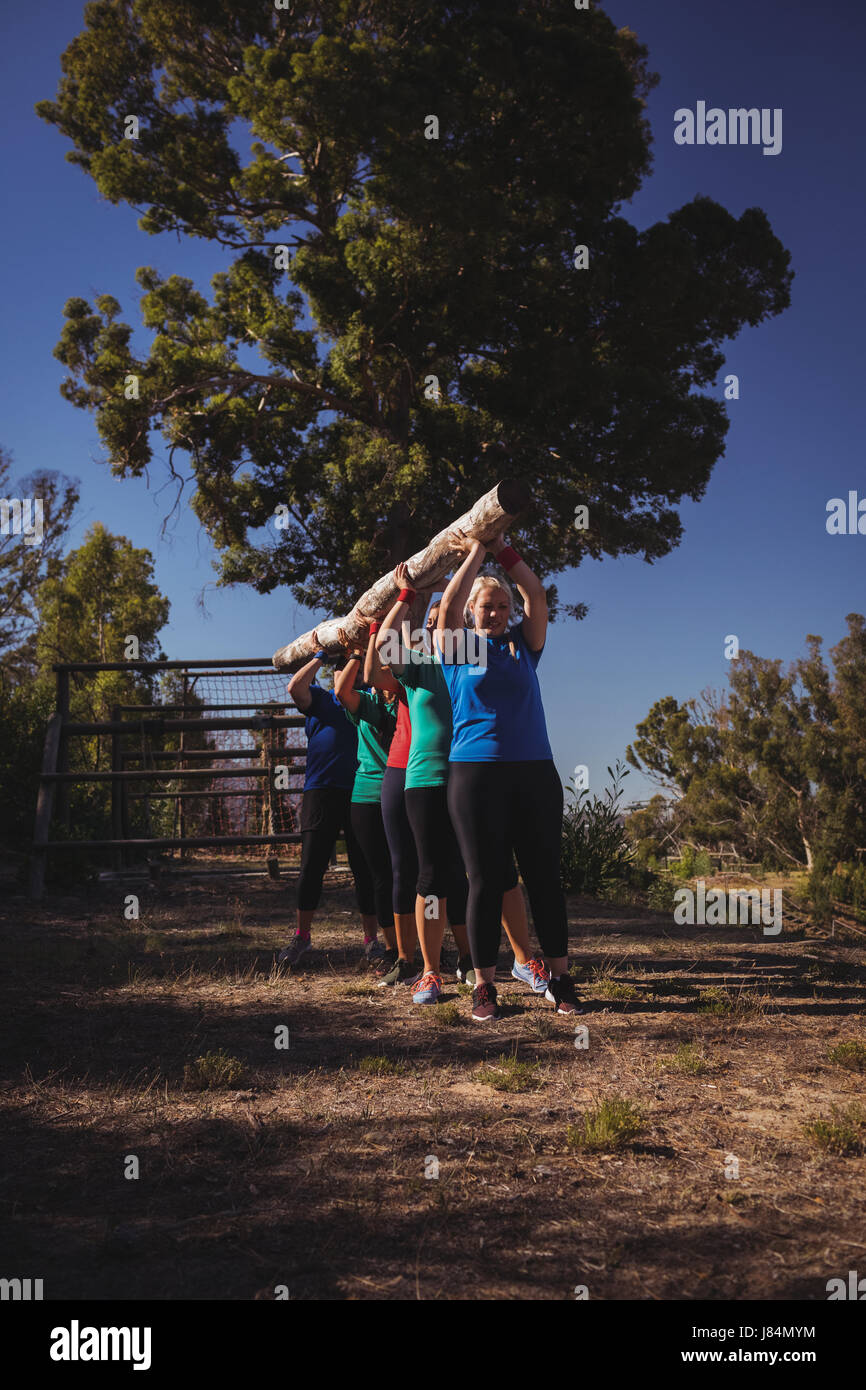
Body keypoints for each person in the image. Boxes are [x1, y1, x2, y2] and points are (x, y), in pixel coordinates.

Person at [377, 568, 551, 1006]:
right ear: (430, 628)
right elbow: (383, 647)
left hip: (477, 775)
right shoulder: (418, 665)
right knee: (432, 876)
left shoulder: (479, 654)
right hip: (429, 779)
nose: (439, 623)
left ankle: (521, 959)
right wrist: (406, 594)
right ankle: (430, 971)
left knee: (498, 872)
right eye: (433, 619)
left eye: (445, 618)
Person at [436, 533, 581, 1021]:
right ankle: (484, 986)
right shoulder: (456, 648)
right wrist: (475, 552)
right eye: (486, 606)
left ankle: (560, 980)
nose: (494, 612)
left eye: (501, 605)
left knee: (543, 877)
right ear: (473, 613)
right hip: (475, 776)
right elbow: (450, 602)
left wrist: (504, 547)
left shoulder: (526, 644)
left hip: (535, 773)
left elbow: (536, 594)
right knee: (484, 880)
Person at [276, 635, 394, 968]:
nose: (351, 676)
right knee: (311, 866)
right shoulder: (319, 699)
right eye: (344, 670)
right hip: (321, 791)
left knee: (366, 868)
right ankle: (302, 937)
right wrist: (320, 656)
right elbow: (293, 688)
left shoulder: (367, 701)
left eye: (355, 671)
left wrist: (362, 656)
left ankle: (372, 942)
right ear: (334, 674)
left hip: (361, 792)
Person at [332, 634, 401, 979]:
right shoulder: (367, 705)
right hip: (367, 798)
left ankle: (420, 947)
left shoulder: (409, 703)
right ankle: (392, 950)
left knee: (412, 874)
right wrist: (358, 654)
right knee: (381, 877)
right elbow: (341, 691)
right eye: (380, 669)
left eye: (390, 668)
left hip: (406, 794)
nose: (385, 675)